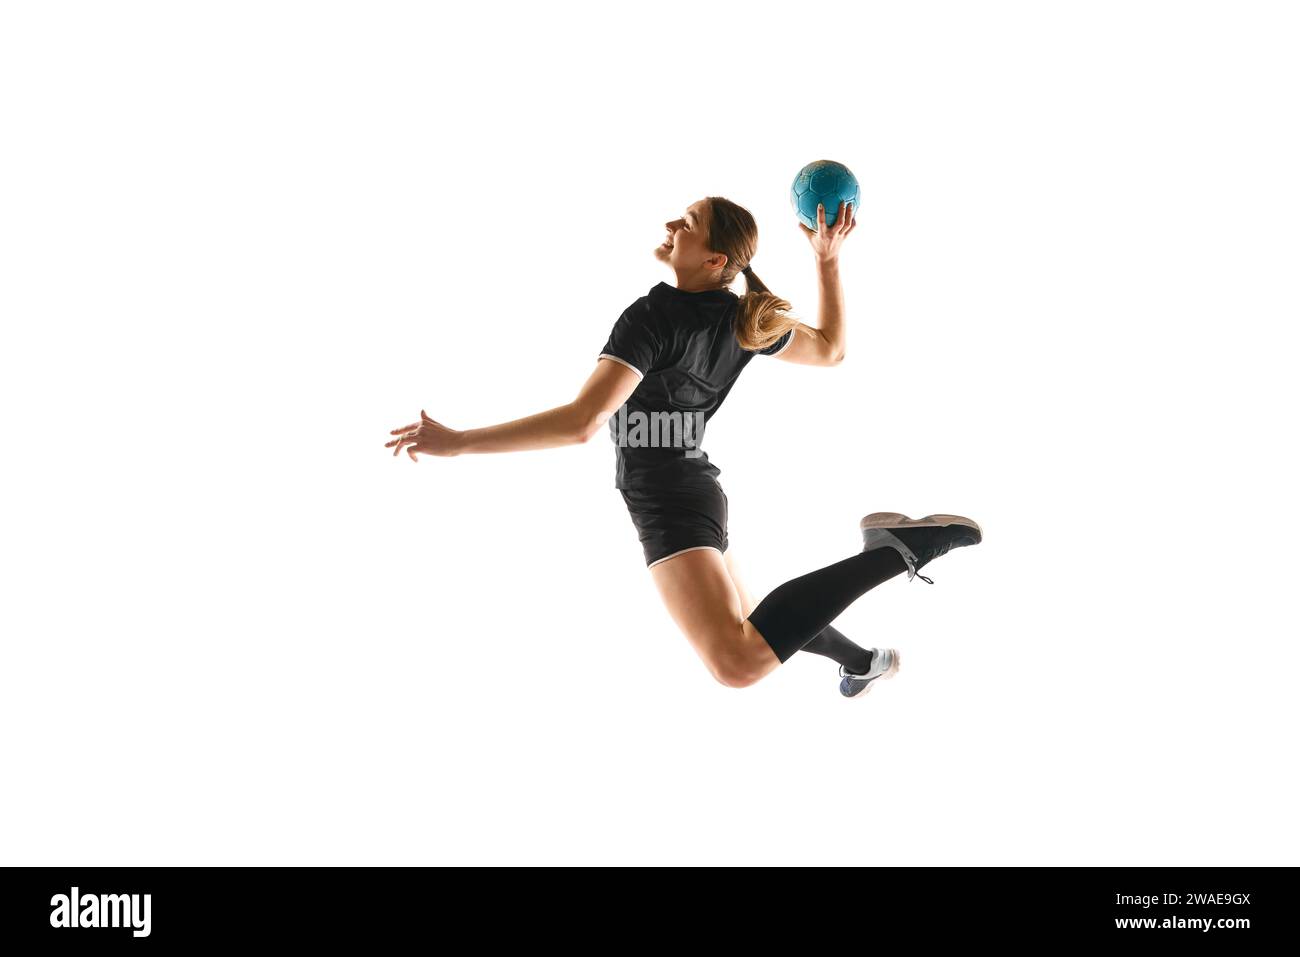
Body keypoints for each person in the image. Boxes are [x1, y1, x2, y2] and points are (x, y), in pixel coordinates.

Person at [385, 196, 981, 697]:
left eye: (687, 224)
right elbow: (830, 349)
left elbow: (581, 423)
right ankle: (859, 661)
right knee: (752, 623)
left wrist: (460, 442)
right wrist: (827, 261)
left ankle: (893, 550)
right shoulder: (741, 319)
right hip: (691, 488)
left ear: (714, 258)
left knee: (737, 662)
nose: (672, 226)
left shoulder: (653, 319)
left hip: (669, 497)